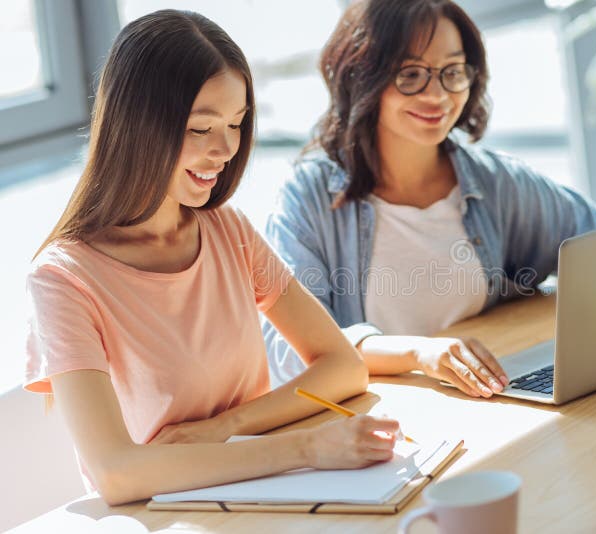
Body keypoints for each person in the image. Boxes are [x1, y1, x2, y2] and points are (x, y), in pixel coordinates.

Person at [24, 10, 399, 507]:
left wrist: (226, 427)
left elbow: (344, 367)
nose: (224, 149)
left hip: (263, 495)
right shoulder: (63, 278)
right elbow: (115, 473)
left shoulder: (228, 230)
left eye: (236, 124)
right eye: (201, 128)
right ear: (137, 125)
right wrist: (308, 448)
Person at [264, 0, 596, 397]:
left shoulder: (493, 181)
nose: (437, 95)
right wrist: (417, 353)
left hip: (490, 396)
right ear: (362, 76)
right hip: (383, 415)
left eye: (452, 72)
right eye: (411, 74)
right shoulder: (309, 195)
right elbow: (287, 350)